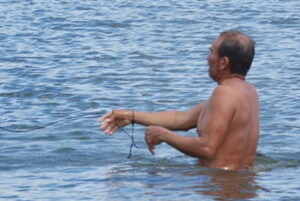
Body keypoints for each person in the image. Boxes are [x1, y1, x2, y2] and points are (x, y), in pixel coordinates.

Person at [99, 30, 260, 171]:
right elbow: (182, 119)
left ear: (223, 62)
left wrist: (164, 135)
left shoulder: (223, 93)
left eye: (211, 52)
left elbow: (207, 148)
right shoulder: (247, 92)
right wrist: (131, 116)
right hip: (241, 186)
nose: (207, 57)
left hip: (220, 189)